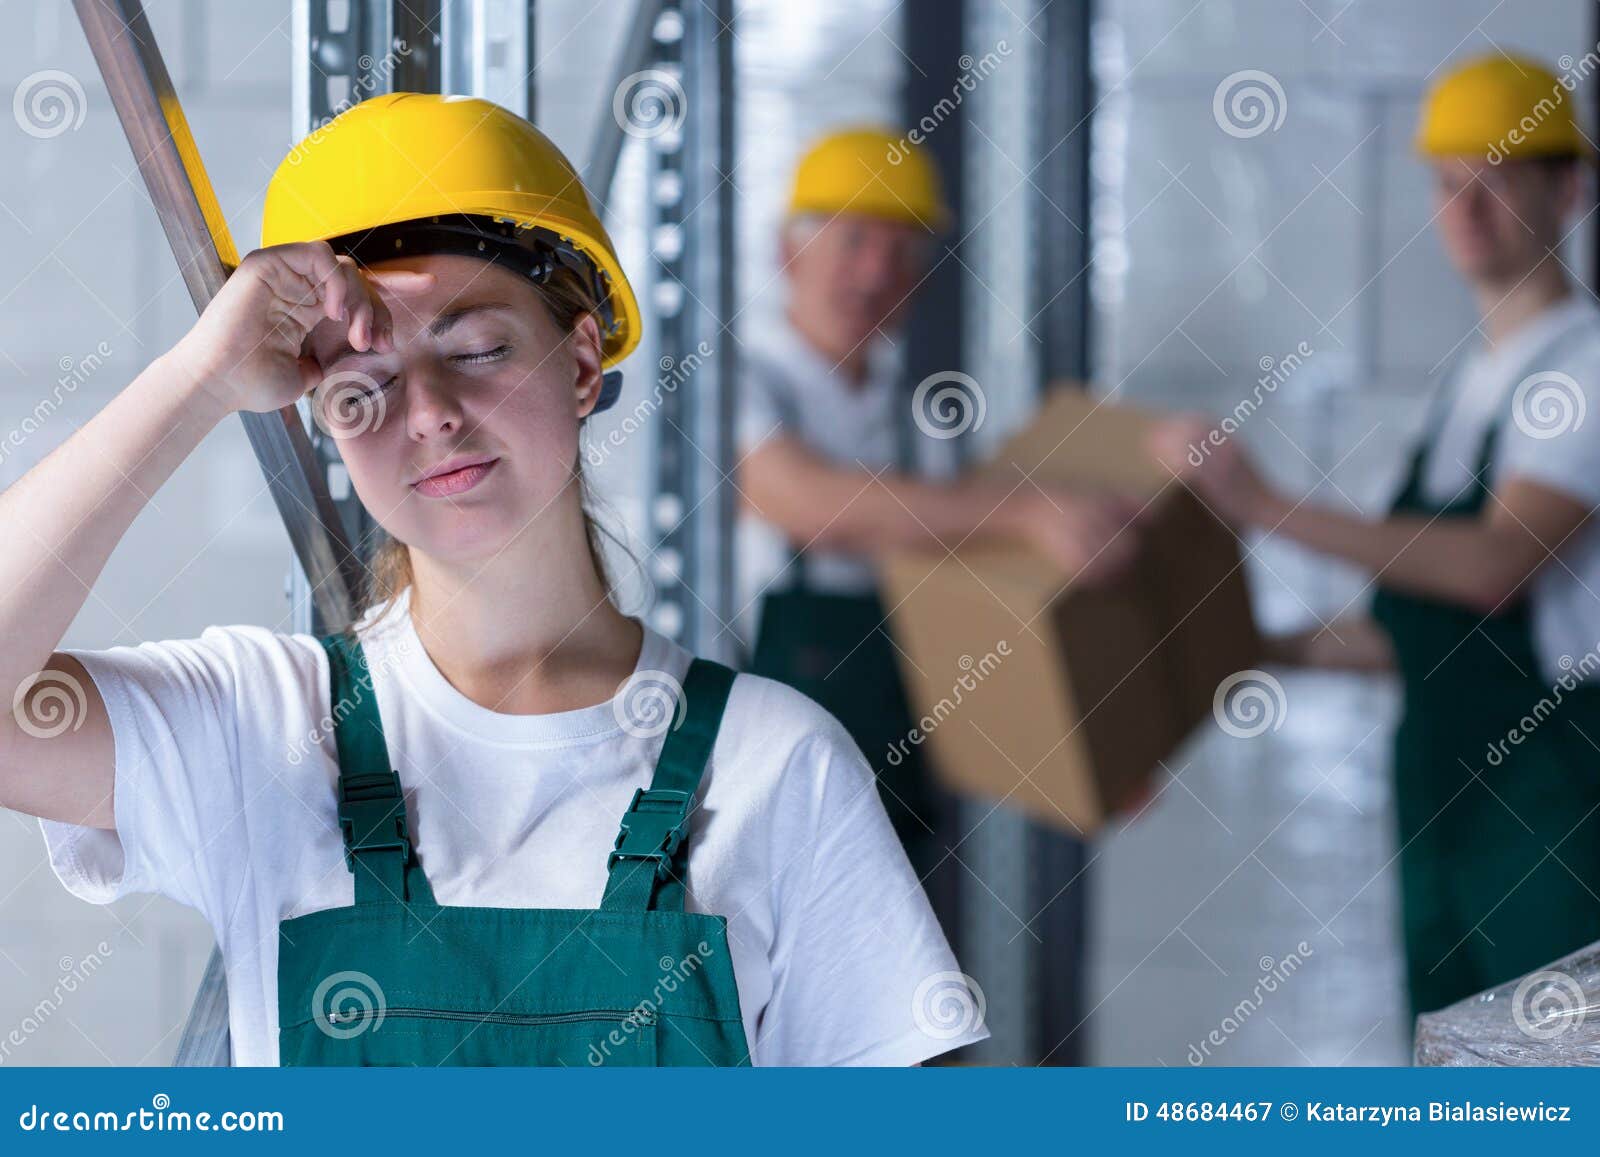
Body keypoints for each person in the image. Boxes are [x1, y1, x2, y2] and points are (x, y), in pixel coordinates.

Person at [1, 94, 988, 1067]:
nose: (428, 411)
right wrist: (201, 378)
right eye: (366, 383)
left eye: (479, 350)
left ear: (582, 363)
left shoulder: (773, 765)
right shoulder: (254, 726)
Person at [1150, 54, 1600, 1022]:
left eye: (1497, 179)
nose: (1465, 208)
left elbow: (1490, 567)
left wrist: (1260, 503)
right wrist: (1227, 653)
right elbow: (1409, 628)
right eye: (1448, 183)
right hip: (1444, 822)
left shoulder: (1587, 368)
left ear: (1568, 187)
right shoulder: (1465, 391)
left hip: (1555, 825)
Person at [738, 127, 1137, 873]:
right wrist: (1024, 512)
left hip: (890, 799)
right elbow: (806, 502)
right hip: (750, 787)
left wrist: (1097, 747)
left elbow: (981, 603)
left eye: (900, 252)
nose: (875, 272)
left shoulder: (926, 416)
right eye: (853, 240)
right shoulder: (740, 382)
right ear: (787, 253)